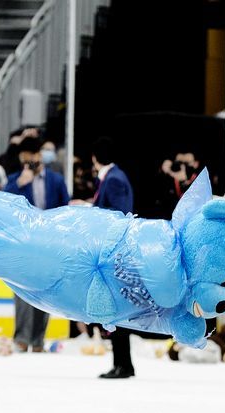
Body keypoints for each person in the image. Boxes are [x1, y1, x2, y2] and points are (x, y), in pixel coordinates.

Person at [3, 135, 70, 353]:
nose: (27, 162)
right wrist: (21, 182)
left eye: (29, 158)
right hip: (23, 243)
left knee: (45, 290)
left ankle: (38, 339)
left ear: (38, 156)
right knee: (22, 290)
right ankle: (21, 338)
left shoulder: (56, 180)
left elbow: (65, 209)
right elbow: (5, 205)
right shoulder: (16, 180)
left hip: (49, 243)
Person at [91, 136, 138, 379]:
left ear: (95, 158)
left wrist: (91, 211)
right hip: (115, 250)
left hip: (116, 252)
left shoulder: (114, 179)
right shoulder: (114, 177)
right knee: (115, 310)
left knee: (116, 310)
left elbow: (120, 214)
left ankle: (123, 364)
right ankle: (122, 363)